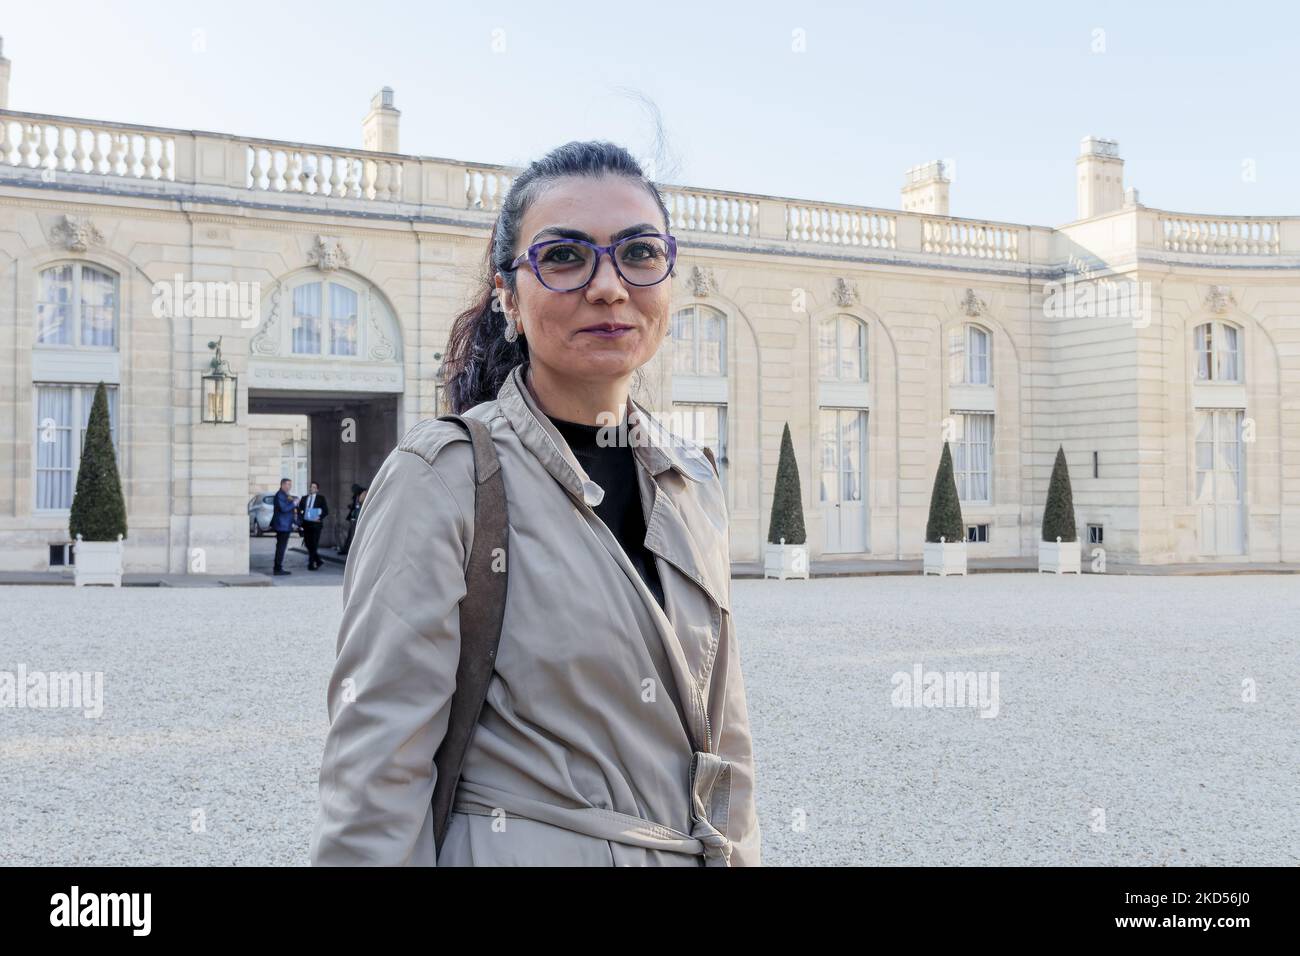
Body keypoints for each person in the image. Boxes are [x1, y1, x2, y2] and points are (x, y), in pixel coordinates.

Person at [310, 140, 760, 867]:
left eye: (639, 252)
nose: (609, 286)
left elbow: (725, 744)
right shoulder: (444, 476)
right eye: (563, 256)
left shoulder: (694, 480)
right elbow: (375, 775)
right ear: (507, 297)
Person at [296, 481, 330, 570]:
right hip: (306, 524)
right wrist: (300, 520)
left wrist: (319, 517)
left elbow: (326, 511)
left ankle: (311, 564)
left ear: (317, 489)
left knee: (314, 544)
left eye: (314, 487)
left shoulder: (321, 498)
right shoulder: (304, 498)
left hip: (316, 524)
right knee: (307, 544)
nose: (312, 488)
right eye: (311, 487)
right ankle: (318, 560)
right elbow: (299, 511)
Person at [271, 478, 297, 576]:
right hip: (282, 525)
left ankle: (278, 567)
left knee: (281, 547)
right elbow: (283, 508)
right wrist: (294, 503)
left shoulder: (285, 495)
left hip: (285, 525)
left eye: (290, 484)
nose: (289, 486)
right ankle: (277, 568)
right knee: (281, 548)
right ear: (282, 485)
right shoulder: (280, 495)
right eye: (287, 484)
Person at [337, 483, 364, 556]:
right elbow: (355, 505)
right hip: (354, 518)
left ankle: (355, 551)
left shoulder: (363, 493)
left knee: (356, 536)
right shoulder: (356, 495)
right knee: (350, 535)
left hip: (360, 518)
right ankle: (346, 550)